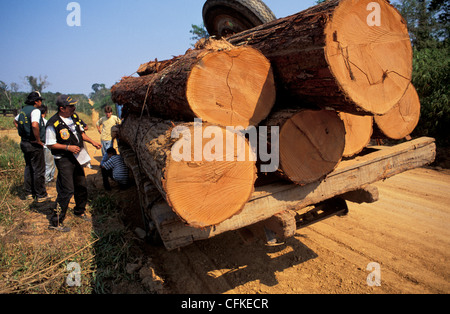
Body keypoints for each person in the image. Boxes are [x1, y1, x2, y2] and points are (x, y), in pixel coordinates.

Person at [45, 95, 102, 232]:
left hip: (77, 157)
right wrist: (67, 147)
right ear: (62, 108)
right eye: (70, 106)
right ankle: (56, 221)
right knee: (67, 190)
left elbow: (81, 133)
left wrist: (92, 142)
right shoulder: (53, 123)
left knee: (81, 185)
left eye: (74, 106)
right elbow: (50, 144)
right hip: (64, 159)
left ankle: (79, 211)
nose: (74, 108)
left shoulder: (74, 117)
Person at [14, 91, 51, 202]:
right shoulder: (35, 111)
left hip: (24, 142)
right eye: (40, 100)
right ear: (36, 101)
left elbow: (15, 121)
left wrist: (24, 131)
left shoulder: (23, 110)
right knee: (39, 169)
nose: (41, 102)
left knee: (29, 167)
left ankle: (29, 193)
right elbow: (35, 125)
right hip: (33, 144)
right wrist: (38, 140)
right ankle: (41, 195)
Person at [39, 105, 56, 184]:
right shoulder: (46, 122)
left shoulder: (35, 121)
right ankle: (47, 180)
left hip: (40, 145)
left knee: (46, 163)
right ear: (45, 112)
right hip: (47, 146)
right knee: (49, 164)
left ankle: (50, 178)